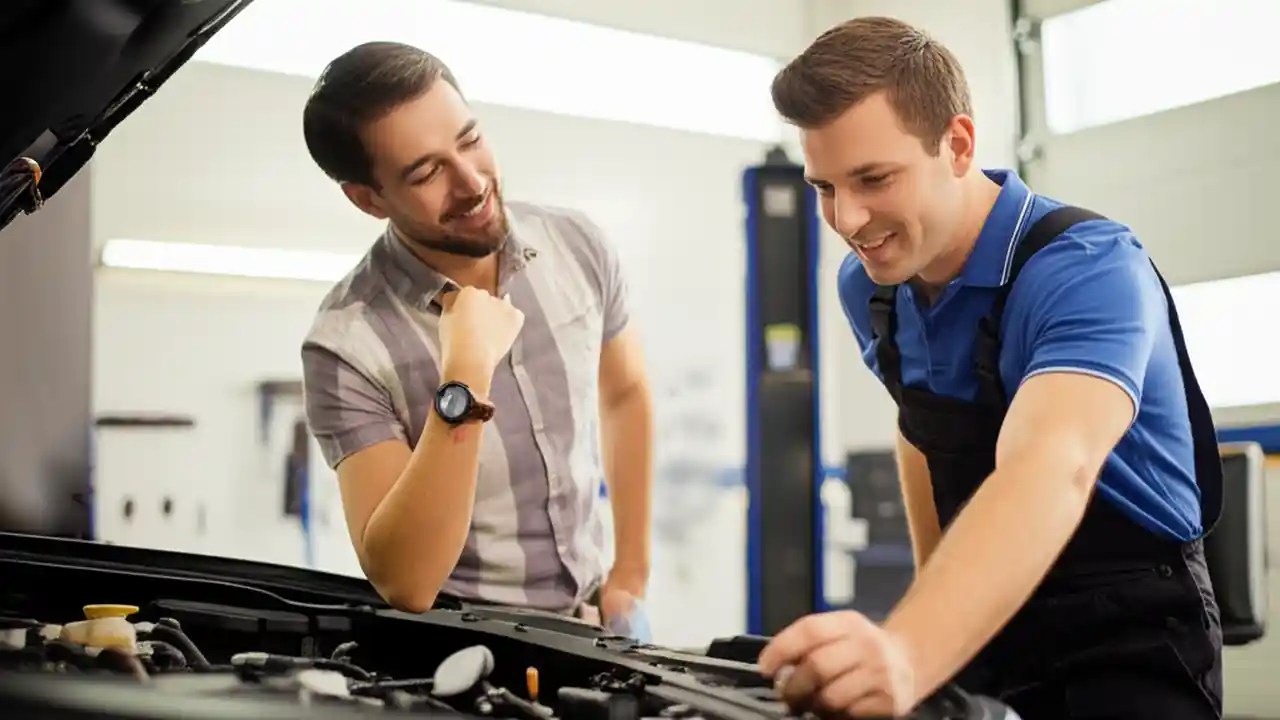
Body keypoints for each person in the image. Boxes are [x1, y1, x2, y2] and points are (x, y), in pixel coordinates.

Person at [756, 17, 1224, 720]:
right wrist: (933, 609)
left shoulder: (1087, 269)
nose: (848, 219)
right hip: (994, 624)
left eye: (873, 179)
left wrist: (908, 651)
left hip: (1131, 628)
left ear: (958, 144)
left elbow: (1049, 465)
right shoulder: (871, 287)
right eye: (824, 187)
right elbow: (917, 430)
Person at [297, 41, 654, 636]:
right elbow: (405, 580)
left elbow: (626, 393)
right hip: (463, 644)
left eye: (468, 140)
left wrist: (632, 572)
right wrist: (463, 376)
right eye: (427, 171)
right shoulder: (345, 345)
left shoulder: (576, 245)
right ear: (368, 198)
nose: (471, 182)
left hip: (600, 625)